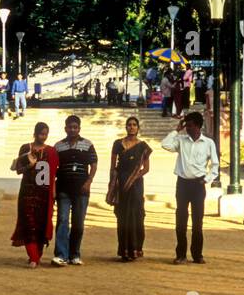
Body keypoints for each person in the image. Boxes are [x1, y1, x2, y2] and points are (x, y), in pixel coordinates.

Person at [162, 110, 219, 264]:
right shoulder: (181, 140)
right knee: (180, 220)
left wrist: (206, 180)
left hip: (198, 185)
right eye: (186, 125)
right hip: (182, 183)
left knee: (197, 222)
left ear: (198, 127)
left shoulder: (208, 143)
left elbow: (215, 165)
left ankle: (197, 254)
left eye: (191, 126)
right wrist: (176, 129)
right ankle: (180, 254)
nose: (188, 128)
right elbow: (165, 144)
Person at [10, 121, 58, 267]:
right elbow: (18, 170)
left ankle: (37, 254)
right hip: (28, 192)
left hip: (44, 193)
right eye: (41, 134)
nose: (43, 137)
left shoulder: (51, 151)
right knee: (28, 222)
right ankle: (33, 257)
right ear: (35, 133)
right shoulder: (26, 148)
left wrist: (53, 193)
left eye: (45, 134)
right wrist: (28, 164)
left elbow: (53, 174)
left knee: (41, 224)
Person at [52, 116, 98, 266]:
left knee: (78, 223)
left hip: (81, 189)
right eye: (70, 127)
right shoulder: (58, 146)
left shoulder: (88, 145)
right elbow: (53, 169)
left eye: (75, 127)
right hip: (63, 188)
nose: (72, 129)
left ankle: (74, 254)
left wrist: (89, 182)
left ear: (79, 128)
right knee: (63, 220)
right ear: (65, 128)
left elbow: (94, 164)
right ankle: (61, 254)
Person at [108, 117, 152, 261]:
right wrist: (112, 185)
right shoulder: (118, 144)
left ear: (138, 128)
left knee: (136, 216)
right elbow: (113, 166)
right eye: (129, 125)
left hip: (136, 184)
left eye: (134, 125)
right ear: (126, 127)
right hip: (121, 184)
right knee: (122, 216)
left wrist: (134, 177)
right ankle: (124, 251)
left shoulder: (143, 146)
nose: (132, 127)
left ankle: (135, 249)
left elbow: (146, 168)